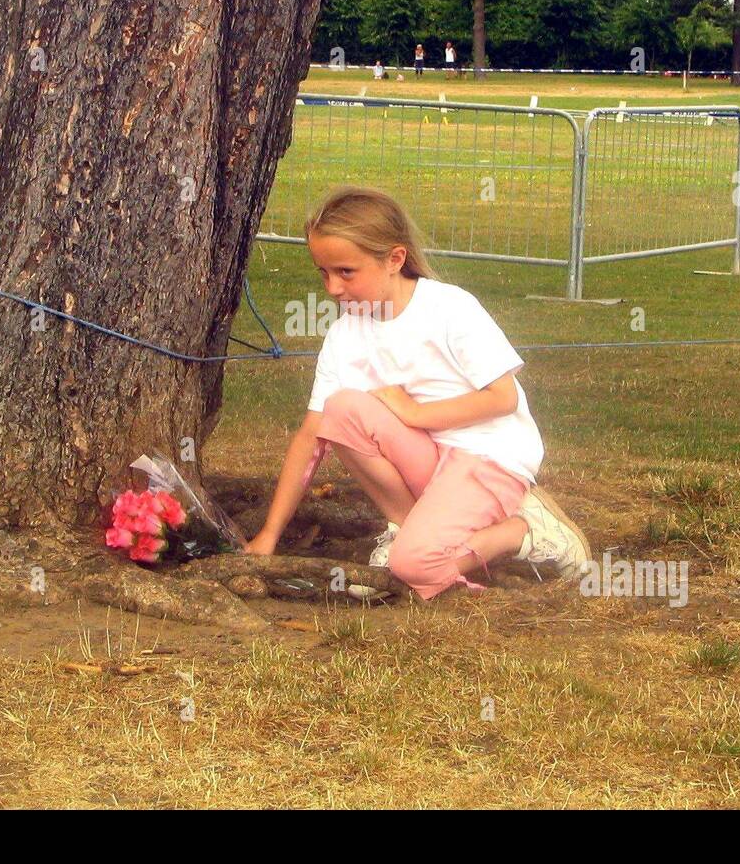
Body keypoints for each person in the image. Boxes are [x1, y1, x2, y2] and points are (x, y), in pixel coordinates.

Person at [243, 186, 591, 600]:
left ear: (395, 259)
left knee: (410, 567)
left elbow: (504, 398)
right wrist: (268, 535)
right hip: (430, 460)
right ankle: (410, 531)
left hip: (486, 459)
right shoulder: (344, 333)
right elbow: (311, 437)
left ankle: (522, 533)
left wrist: (414, 414)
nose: (333, 288)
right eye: (323, 273)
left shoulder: (449, 308)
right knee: (342, 410)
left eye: (346, 272)